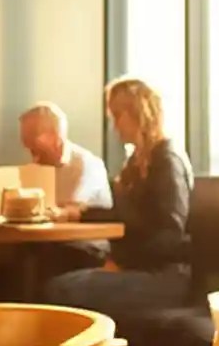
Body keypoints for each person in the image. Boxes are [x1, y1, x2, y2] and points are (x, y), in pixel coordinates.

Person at [39, 78, 193, 320]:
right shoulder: (139, 161)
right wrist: (80, 213)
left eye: (117, 116)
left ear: (137, 114)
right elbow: (125, 214)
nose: (115, 126)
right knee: (55, 280)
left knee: (60, 289)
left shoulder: (166, 160)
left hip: (165, 277)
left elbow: (170, 233)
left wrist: (123, 264)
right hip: (144, 269)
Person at [18, 102, 113, 208]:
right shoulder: (39, 166)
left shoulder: (88, 166)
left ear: (55, 135)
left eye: (31, 138)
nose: (26, 146)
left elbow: (73, 210)